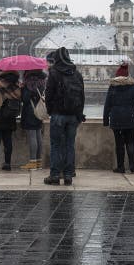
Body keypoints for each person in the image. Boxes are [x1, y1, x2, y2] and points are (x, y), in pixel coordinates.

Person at [43, 47, 85, 186]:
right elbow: (82, 96)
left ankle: (55, 175)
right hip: (73, 115)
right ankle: (68, 175)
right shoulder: (76, 74)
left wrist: (50, 111)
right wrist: (79, 114)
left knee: (56, 145)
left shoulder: (54, 73)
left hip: (58, 115)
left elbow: (48, 94)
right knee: (69, 145)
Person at [103, 62, 134, 173]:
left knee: (119, 144)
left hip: (116, 119)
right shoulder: (132, 86)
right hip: (130, 117)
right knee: (130, 142)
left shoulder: (112, 87)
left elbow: (107, 104)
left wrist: (106, 120)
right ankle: (132, 166)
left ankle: (120, 167)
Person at [19, 69, 47, 170]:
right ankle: (38, 163)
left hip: (30, 112)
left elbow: (25, 99)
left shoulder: (29, 83)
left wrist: (22, 89)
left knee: (32, 137)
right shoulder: (42, 82)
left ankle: (33, 163)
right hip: (39, 111)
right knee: (38, 136)